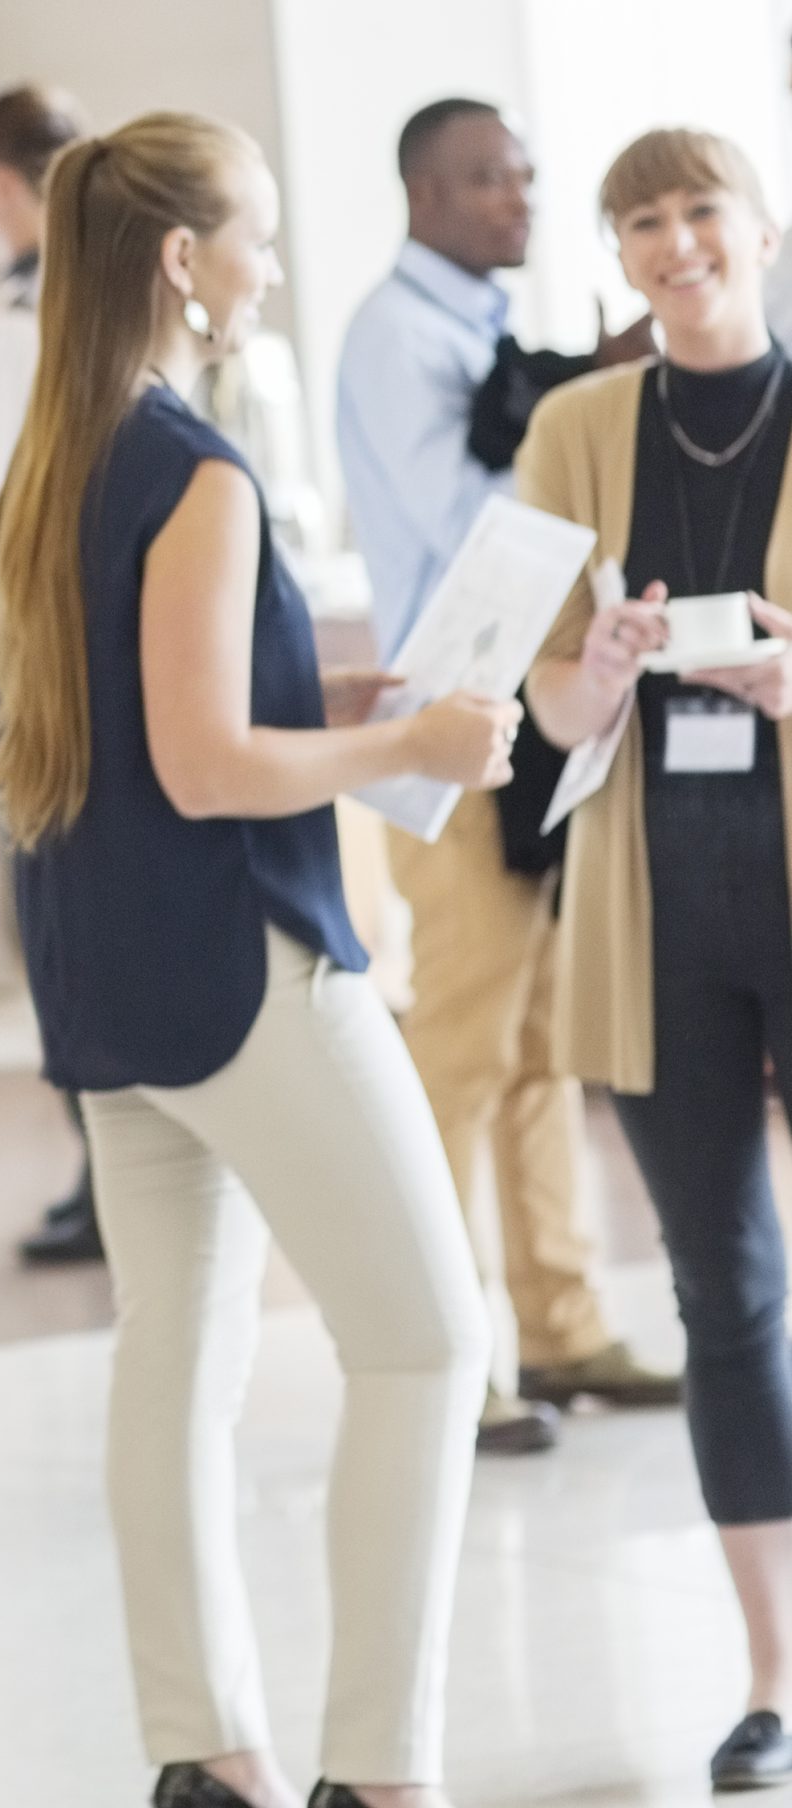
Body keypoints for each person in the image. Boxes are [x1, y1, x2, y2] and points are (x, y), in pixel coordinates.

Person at [0, 113, 502, 1808]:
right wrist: (410, 741)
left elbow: (155, 714)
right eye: (258, 238)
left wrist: (330, 700)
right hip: (238, 970)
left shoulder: (64, 450)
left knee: (177, 1361)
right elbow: (208, 768)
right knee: (427, 1342)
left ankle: (206, 1753)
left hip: (107, 982)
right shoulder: (197, 469)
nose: (273, 270)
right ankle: (382, 1772)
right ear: (180, 258)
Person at [334, 97, 679, 1461]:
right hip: (454, 712)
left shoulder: (485, 331)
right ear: (424, 191)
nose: (519, 199)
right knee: (465, 1036)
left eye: (528, 176)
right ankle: (442, 1352)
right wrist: (589, 399)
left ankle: (563, 1322)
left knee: (539, 1035)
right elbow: (468, 517)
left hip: (533, 708)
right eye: (489, 178)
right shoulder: (397, 336)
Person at [521, 126, 792, 1793]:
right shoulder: (575, 430)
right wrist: (606, 666)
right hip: (656, 907)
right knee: (724, 1292)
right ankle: (772, 1674)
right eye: (641, 222)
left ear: (758, 227)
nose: (674, 242)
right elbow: (540, 705)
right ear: (617, 253)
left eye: (700, 210)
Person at [0, 81, 105, 1269]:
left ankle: (106, 1165)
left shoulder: (26, 311)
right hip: (72, 620)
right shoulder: (86, 287)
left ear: (3, 185)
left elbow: (14, 498)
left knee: (59, 894)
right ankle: (106, 1161)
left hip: (36, 629)